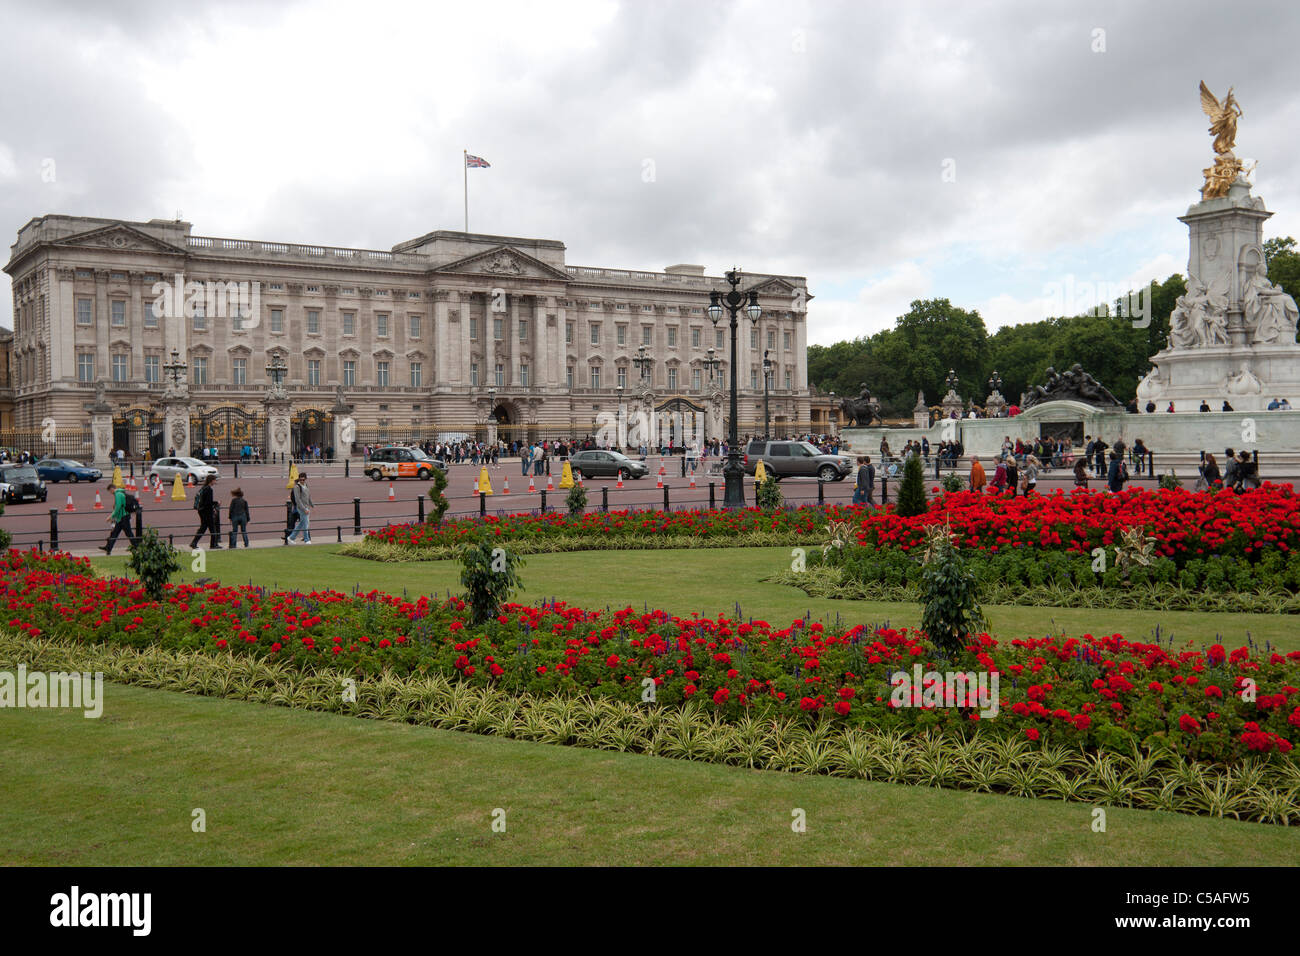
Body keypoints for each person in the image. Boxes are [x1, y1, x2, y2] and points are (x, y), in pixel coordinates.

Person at [100, 483, 139, 555]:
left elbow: (117, 508)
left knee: (127, 533)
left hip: (123, 517)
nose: (110, 493)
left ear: (112, 489)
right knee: (116, 533)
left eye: (110, 491)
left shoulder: (117, 494)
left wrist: (111, 516)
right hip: (122, 517)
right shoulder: (121, 493)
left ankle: (137, 547)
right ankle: (108, 548)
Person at [189, 475, 222, 550]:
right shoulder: (209, 489)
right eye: (215, 480)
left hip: (201, 511)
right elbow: (208, 502)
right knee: (212, 528)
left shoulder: (203, 488)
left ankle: (194, 542)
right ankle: (213, 544)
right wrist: (216, 503)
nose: (215, 482)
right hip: (207, 512)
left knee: (204, 527)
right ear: (211, 481)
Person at [286, 473, 314, 544]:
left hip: (306, 507)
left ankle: (291, 537)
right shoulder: (297, 487)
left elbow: (308, 496)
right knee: (305, 524)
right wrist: (304, 509)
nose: (302, 480)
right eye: (300, 479)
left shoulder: (306, 485)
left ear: (305, 479)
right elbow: (297, 499)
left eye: (303, 479)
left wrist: (312, 504)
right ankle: (307, 539)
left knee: (302, 523)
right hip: (301, 508)